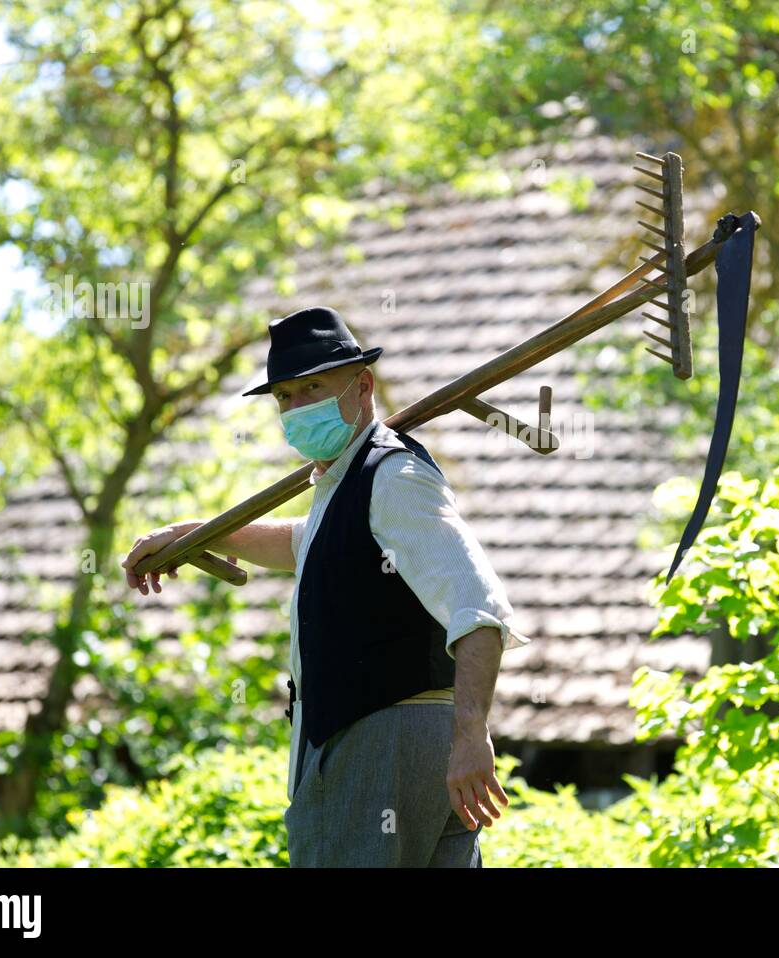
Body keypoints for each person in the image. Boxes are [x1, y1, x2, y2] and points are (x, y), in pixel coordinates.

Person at [122, 306, 530, 866]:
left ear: (362, 386)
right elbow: (302, 541)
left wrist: (470, 737)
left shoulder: (393, 478)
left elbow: (479, 610)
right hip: (412, 746)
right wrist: (197, 536)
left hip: (380, 741)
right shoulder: (348, 484)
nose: (296, 407)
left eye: (312, 387)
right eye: (284, 397)